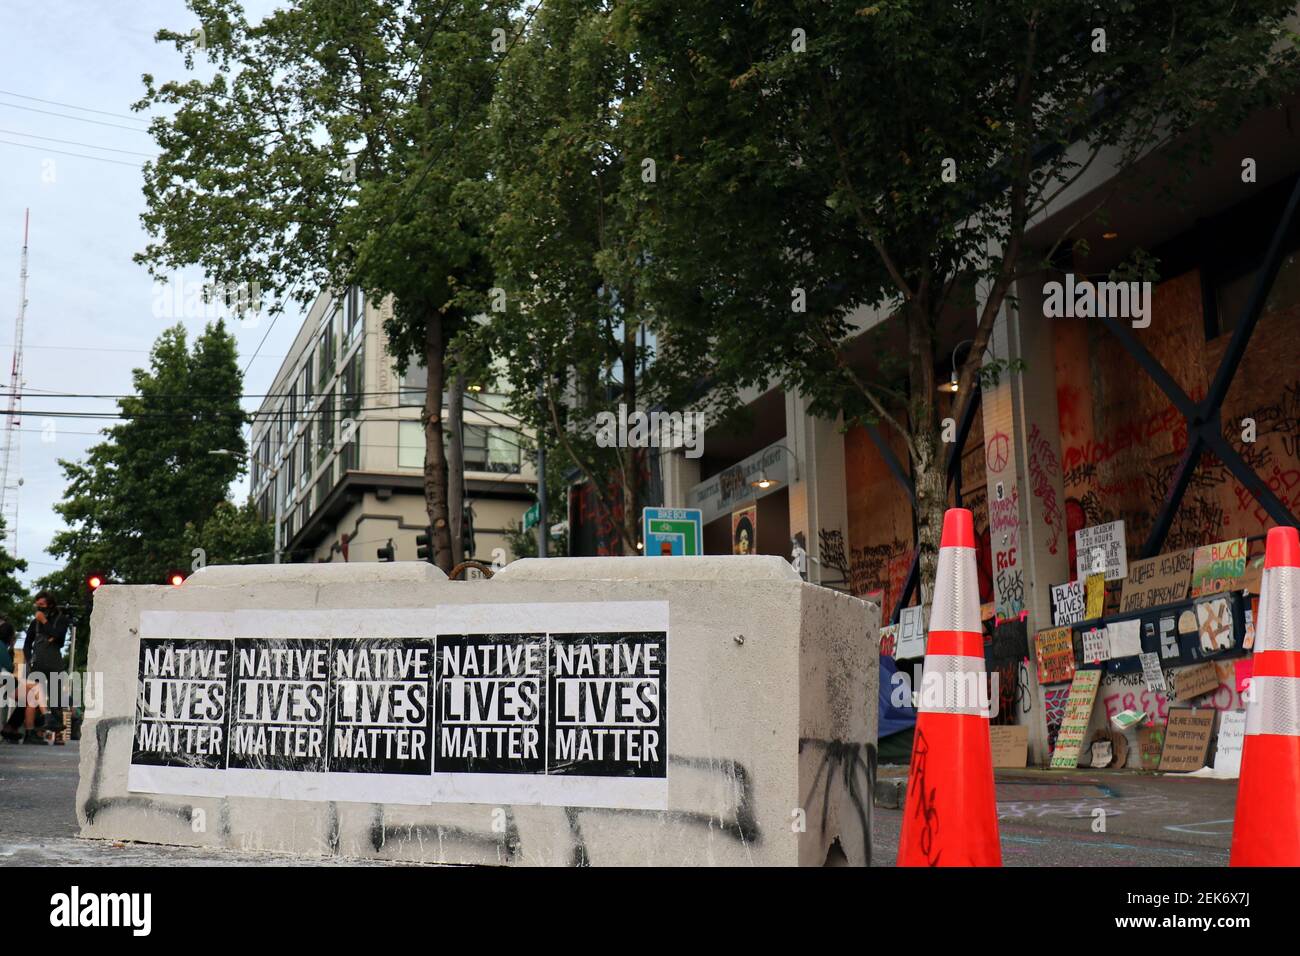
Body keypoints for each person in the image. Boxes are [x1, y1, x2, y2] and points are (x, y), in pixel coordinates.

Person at [0, 617, 58, 744]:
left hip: (5, 679)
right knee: (35, 688)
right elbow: (9, 667)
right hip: (3, 679)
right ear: (9, 637)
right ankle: (47, 716)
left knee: (30, 696)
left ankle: (11, 728)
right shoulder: (2, 647)